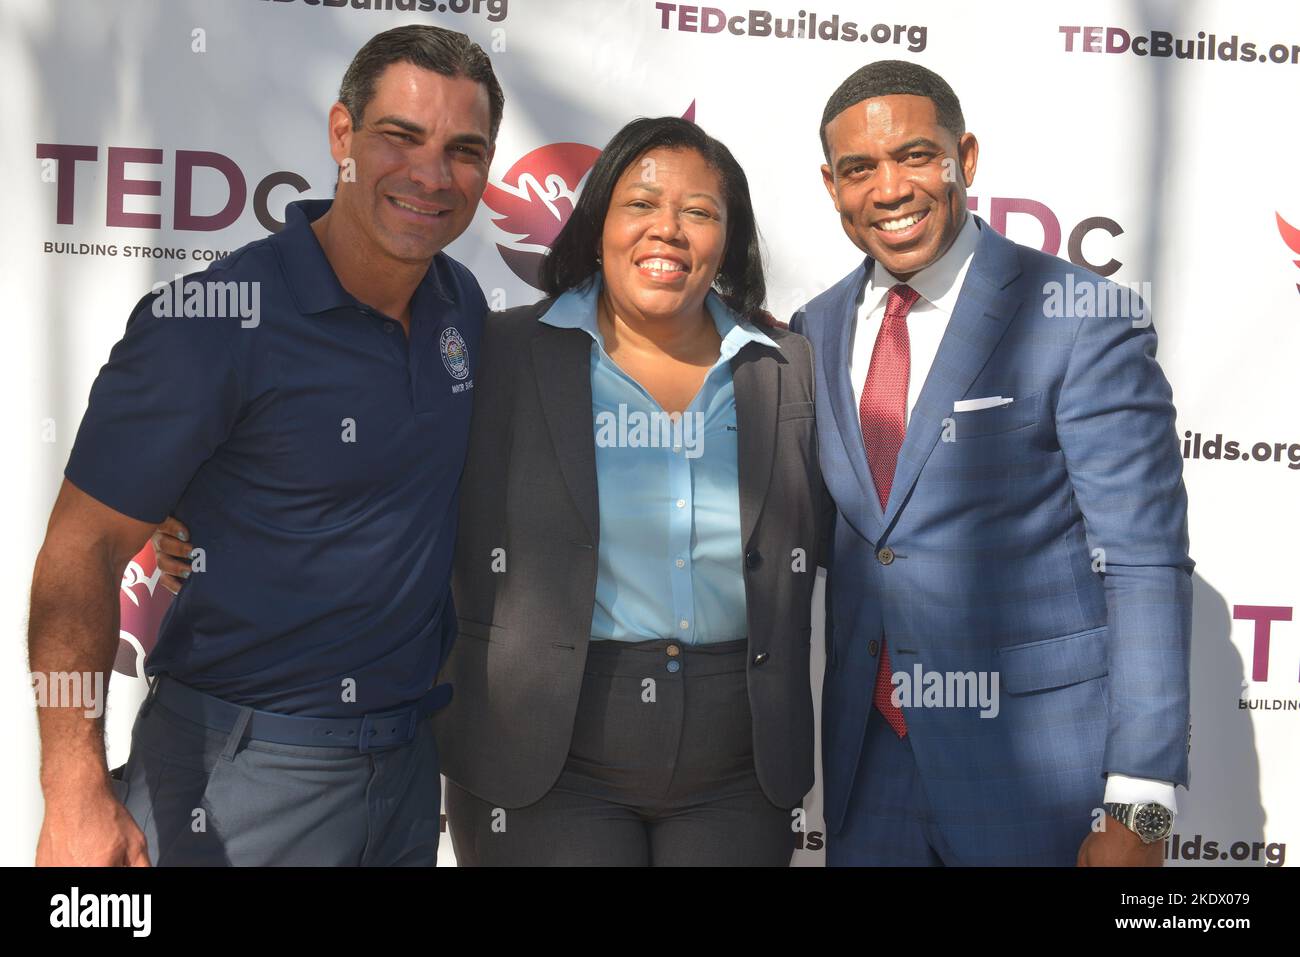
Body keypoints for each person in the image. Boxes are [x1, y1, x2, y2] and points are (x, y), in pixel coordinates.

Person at [27, 25, 503, 866]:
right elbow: (80, 551)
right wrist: (73, 793)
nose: (432, 175)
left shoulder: (459, 303)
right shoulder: (210, 321)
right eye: (401, 136)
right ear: (342, 135)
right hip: (237, 775)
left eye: (463, 150)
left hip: (405, 773)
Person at [792, 60, 1192, 866]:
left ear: (964, 159)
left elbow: (1144, 562)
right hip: (869, 776)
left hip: (1040, 774)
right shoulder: (815, 328)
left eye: (915, 156)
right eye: (860, 169)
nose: (890, 189)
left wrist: (1142, 806)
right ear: (832, 186)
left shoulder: (1079, 319)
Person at [433, 115, 824, 866]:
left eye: (699, 212)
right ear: (598, 225)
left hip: (739, 758)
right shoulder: (502, 350)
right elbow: (400, 477)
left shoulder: (785, 366)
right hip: (544, 749)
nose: (667, 229)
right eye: (640, 204)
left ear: (728, 240)